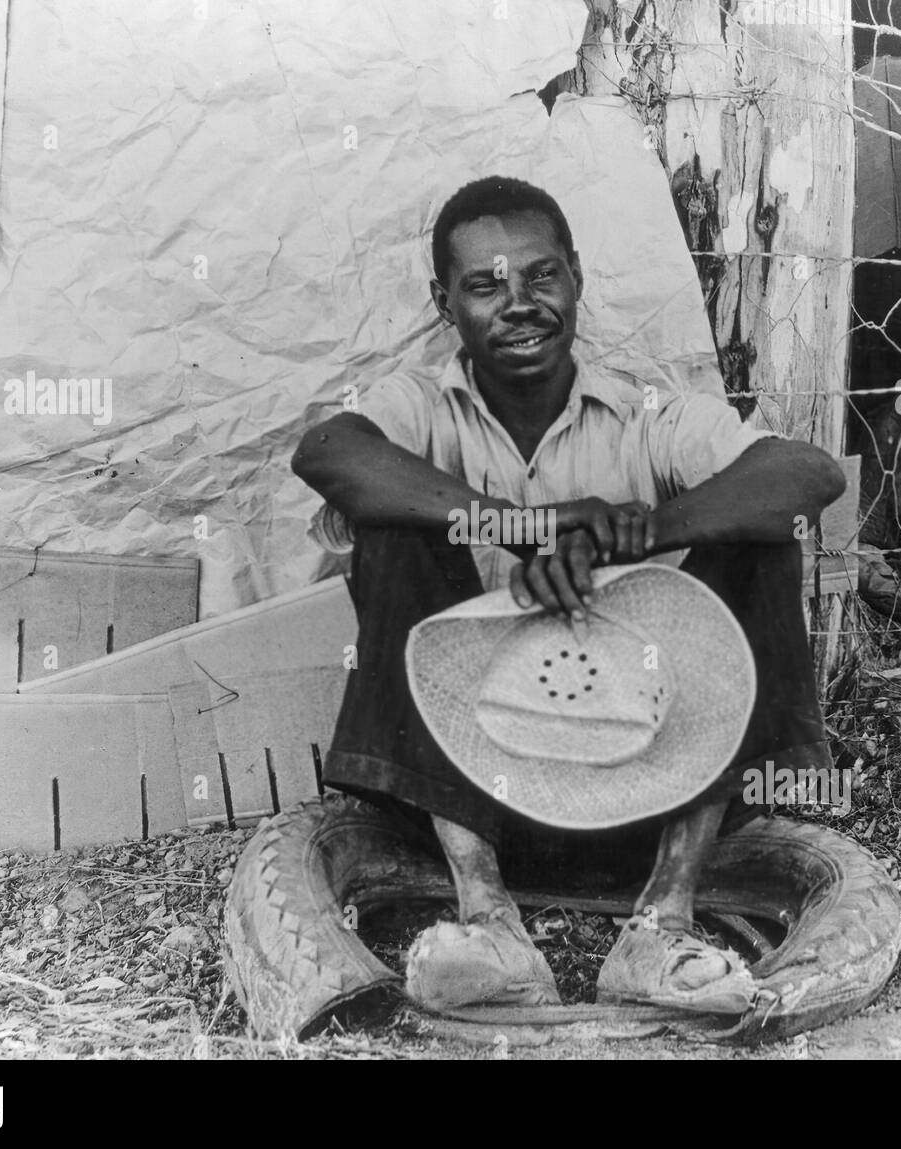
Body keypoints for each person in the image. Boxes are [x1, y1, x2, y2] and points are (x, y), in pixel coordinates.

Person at [292, 175, 845, 1010]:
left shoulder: (642, 414)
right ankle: (490, 923)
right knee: (394, 526)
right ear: (445, 303)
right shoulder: (418, 406)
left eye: (541, 276)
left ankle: (662, 922)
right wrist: (525, 526)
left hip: (642, 787)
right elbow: (329, 450)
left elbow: (805, 472)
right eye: (485, 285)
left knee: (760, 535)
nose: (519, 303)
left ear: (577, 279)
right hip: (469, 794)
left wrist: (635, 530)